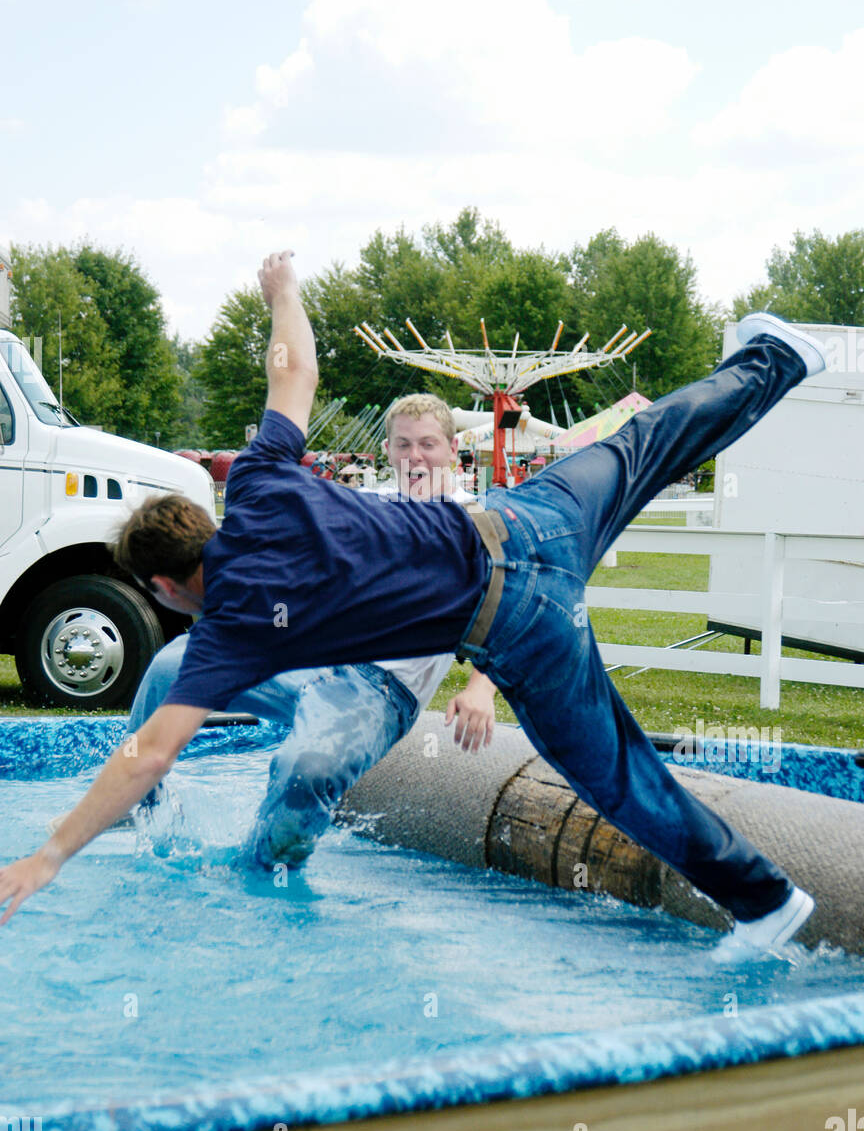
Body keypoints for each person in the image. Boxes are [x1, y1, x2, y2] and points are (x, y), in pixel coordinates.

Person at [0, 250, 823, 964]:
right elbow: (294, 371)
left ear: (163, 587)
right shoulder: (256, 484)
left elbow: (145, 753)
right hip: (535, 516)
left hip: (519, 624)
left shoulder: (230, 632)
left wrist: (48, 856)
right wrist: (282, 290)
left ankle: (765, 901)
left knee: (618, 777)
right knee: (649, 442)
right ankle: (778, 356)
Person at [91, 394, 498, 868]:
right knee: (169, 667)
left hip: (377, 691)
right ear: (386, 449)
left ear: (452, 449)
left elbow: (511, 613)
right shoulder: (369, 504)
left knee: (305, 768)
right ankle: (142, 802)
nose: (415, 458)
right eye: (403, 445)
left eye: (428, 445)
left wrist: (481, 688)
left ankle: (262, 869)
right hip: (309, 660)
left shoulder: (474, 529)